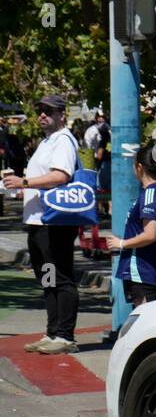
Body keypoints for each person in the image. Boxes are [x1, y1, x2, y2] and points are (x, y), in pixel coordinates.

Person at [2, 95, 80, 354]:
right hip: (38, 221)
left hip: (55, 222)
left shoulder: (64, 141)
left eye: (49, 111)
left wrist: (24, 183)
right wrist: (19, 186)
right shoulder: (47, 142)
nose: (43, 115)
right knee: (48, 277)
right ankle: (53, 331)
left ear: (61, 114)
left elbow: (61, 175)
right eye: (40, 110)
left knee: (61, 276)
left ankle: (66, 336)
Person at [105, 142, 156, 307]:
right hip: (144, 268)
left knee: (144, 317)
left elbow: (150, 234)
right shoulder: (153, 191)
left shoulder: (151, 193)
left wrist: (121, 243)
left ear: (139, 167)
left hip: (142, 268)